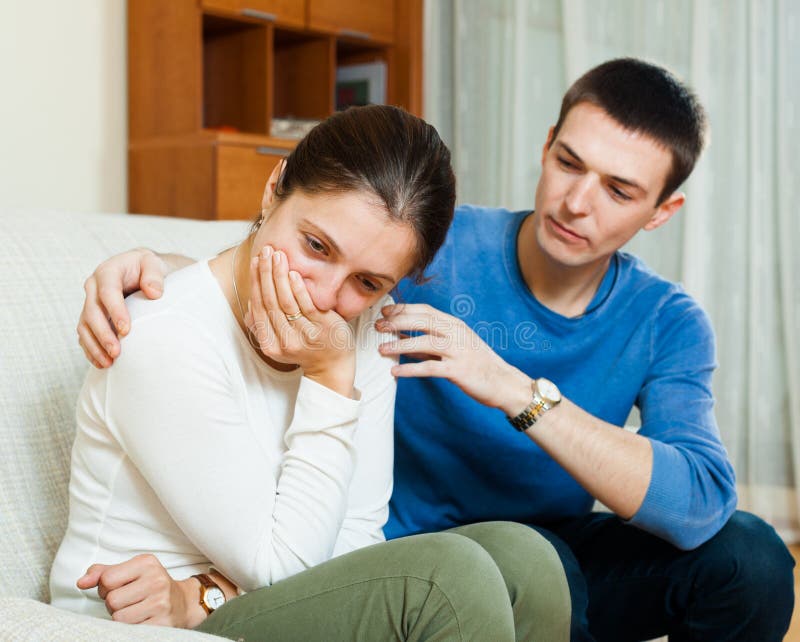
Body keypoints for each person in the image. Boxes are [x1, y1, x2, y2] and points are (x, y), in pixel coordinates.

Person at [76, 59, 795, 641]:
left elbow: (700, 500)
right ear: (545, 146)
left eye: (618, 189)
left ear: (661, 211)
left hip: (534, 552)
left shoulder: (665, 319)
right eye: (570, 163)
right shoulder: (431, 249)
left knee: (750, 559)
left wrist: (516, 390)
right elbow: (296, 243)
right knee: (487, 569)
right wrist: (154, 267)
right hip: (409, 552)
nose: (578, 202)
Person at [52, 104, 571, 641]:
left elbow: (357, 538)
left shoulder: (364, 326)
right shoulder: (166, 336)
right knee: (448, 579)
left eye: (367, 282)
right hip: (134, 625)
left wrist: (205, 592)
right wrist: (328, 374)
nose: (325, 298)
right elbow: (279, 567)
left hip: (214, 602)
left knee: (526, 560)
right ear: (274, 187)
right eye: (316, 246)